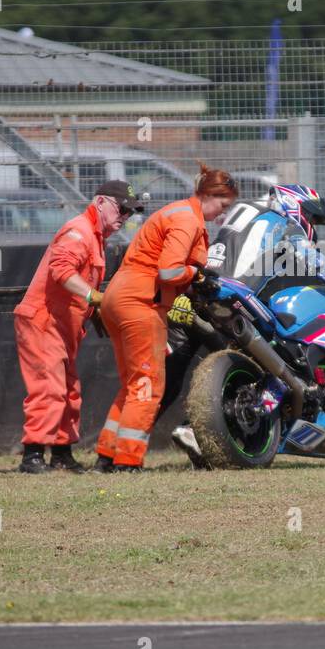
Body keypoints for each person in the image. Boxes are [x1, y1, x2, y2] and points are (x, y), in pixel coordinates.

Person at [160, 182, 325, 467]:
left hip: (206, 291)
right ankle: (308, 396)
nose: (312, 225)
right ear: (294, 204)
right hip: (235, 292)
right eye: (312, 218)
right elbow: (313, 261)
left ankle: (202, 431)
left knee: (249, 362)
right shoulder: (281, 221)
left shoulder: (244, 214)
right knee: (288, 351)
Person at [94, 163, 239, 472]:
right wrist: (198, 277)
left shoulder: (177, 213)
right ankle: (127, 462)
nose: (222, 214)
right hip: (141, 302)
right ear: (208, 195)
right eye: (223, 205)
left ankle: (107, 457)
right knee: (148, 384)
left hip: (117, 297)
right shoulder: (187, 220)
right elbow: (170, 270)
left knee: (133, 385)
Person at [13, 181, 143, 473]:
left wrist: (93, 309)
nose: (124, 216)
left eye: (129, 212)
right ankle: (32, 456)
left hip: (64, 326)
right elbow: (61, 271)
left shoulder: (96, 237)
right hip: (44, 321)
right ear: (100, 203)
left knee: (69, 390)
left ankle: (61, 453)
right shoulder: (79, 232)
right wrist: (93, 297)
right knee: (49, 388)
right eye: (121, 208)